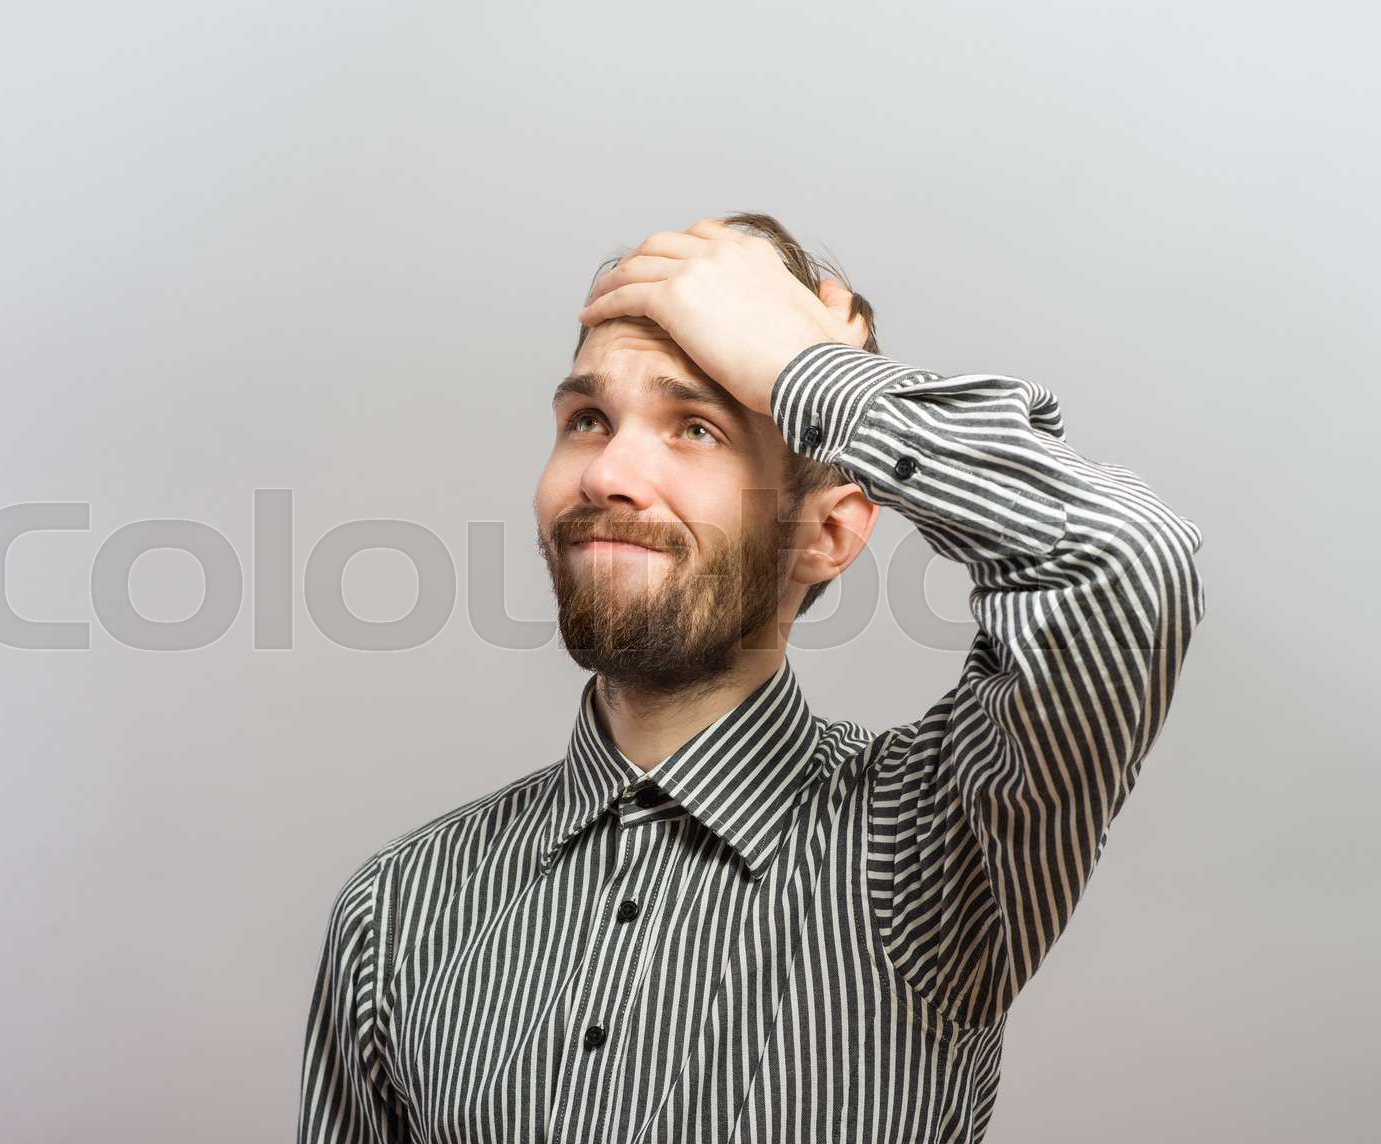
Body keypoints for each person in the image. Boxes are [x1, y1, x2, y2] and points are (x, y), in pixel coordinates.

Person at [299, 212, 1206, 1142]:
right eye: (587, 420)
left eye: (696, 426)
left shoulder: (931, 848)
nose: (609, 471)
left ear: (831, 532)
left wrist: (804, 371)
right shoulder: (398, 911)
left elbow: (1124, 560)